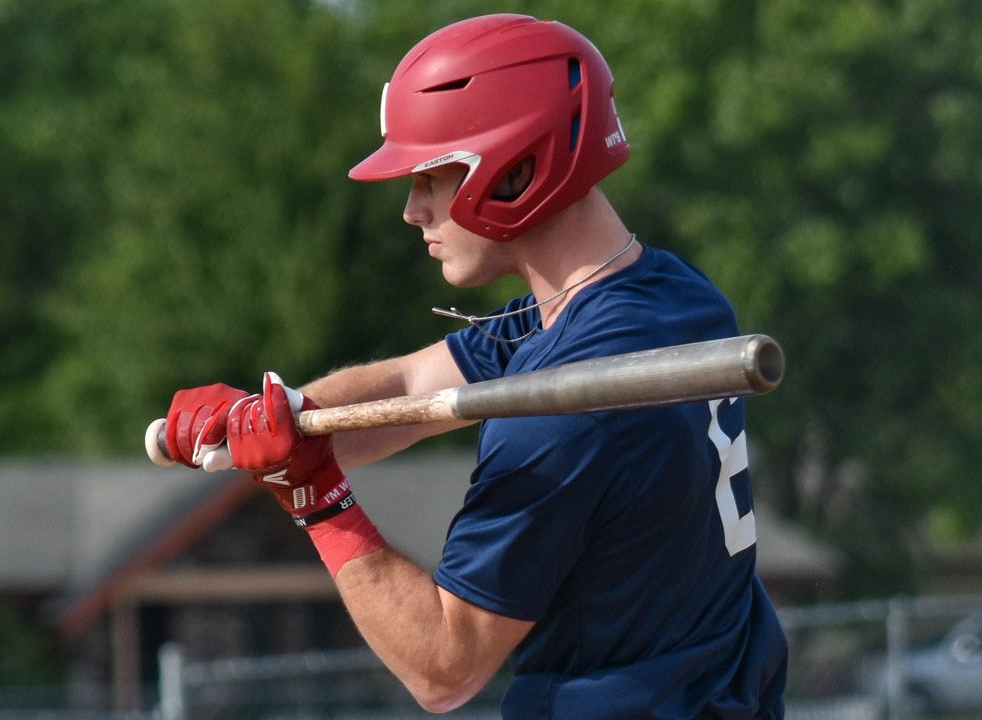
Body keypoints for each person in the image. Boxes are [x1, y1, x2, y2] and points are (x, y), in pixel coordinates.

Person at [161, 13, 788, 719]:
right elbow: (406, 387)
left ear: (519, 167)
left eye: (430, 177)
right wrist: (278, 414)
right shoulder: (669, 298)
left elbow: (444, 667)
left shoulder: (562, 408)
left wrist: (315, 497)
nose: (411, 210)